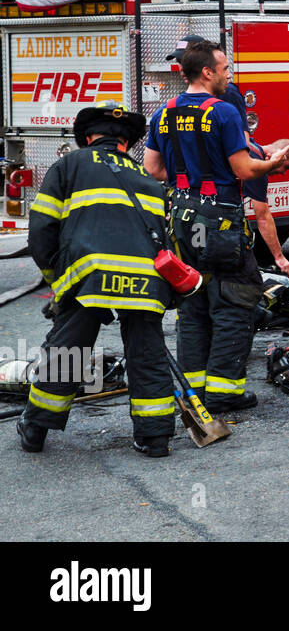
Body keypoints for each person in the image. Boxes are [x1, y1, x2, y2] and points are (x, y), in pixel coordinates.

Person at [18, 102, 178, 457]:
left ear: (88, 138)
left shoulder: (68, 166)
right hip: (145, 279)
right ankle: (154, 439)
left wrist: (58, 281)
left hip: (88, 275)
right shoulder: (148, 180)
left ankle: (35, 429)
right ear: (126, 143)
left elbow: (42, 231)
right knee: (147, 351)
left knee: (68, 349)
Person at [143, 42, 287, 413]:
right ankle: (224, 393)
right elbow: (243, 169)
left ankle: (195, 393)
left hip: (182, 219)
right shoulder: (223, 112)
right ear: (207, 72)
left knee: (192, 304)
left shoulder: (163, 113)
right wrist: (273, 163)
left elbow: (153, 170)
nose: (228, 74)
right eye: (224, 67)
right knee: (236, 300)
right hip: (220, 220)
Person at [167, 34, 248, 129]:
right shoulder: (170, 107)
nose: (182, 68)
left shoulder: (227, 92)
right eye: (179, 62)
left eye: (186, 61)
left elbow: (242, 138)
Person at [245, 139, 289, 277]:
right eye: (286, 167)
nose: (283, 173)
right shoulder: (256, 165)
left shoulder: (251, 145)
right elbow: (262, 217)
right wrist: (279, 257)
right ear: (278, 154)